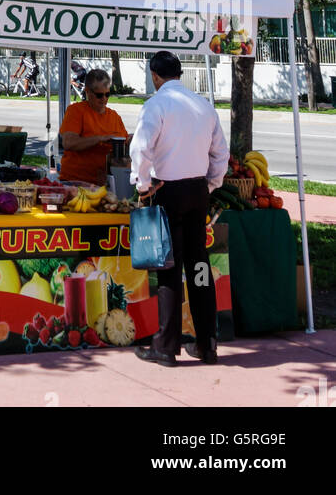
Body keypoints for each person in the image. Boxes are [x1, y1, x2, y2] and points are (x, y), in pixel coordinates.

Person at [130, 49, 229, 368]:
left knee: (169, 267)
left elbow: (141, 149)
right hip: (197, 190)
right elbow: (220, 154)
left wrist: (143, 186)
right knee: (199, 266)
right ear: (179, 74)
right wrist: (210, 185)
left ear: (155, 76)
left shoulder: (155, 105)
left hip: (166, 190)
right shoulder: (203, 106)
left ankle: (166, 345)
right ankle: (207, 343)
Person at [58, 69, 128, 185]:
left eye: (107, 94)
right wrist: (100, 139)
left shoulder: (114, 116)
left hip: (104, 184)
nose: (104, 99)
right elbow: (68, 142)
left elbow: (123, 144)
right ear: (87, 92)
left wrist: (131, 141)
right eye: (99, 95)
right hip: (75, 182)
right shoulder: (76, 111)